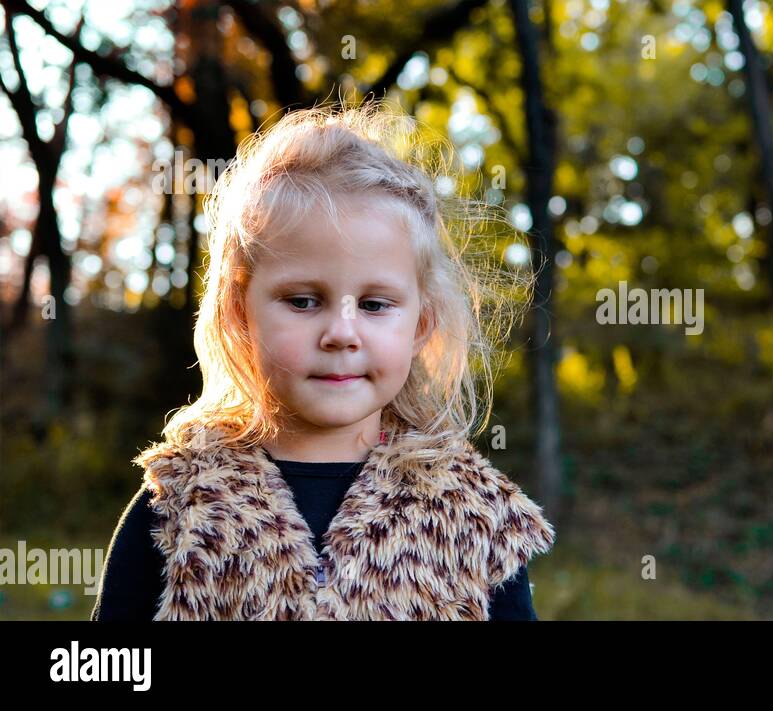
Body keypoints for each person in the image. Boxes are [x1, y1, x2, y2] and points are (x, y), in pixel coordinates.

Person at [92, 104, 554, 621]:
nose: (341, 333)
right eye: (304, 301)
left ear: (420, 326)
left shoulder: (472, 514)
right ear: (239, 312)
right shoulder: (182, 504)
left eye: (375, 305)